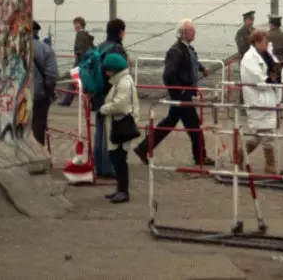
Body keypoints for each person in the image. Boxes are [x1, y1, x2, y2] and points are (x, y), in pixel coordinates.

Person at [134, 19, 215, 166]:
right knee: (194, 126)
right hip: (182, 95)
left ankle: (143, 148)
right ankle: (200, 156)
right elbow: (168, 75)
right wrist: (180, 90)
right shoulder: (175, 50)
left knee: (170, 123)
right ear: (183, 33)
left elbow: (192, 62)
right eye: (192, 30)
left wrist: (202, 68)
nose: (194, 32)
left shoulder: (187, 48)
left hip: (185, 94)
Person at [236, 30, 283, 174]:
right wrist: (272, 78)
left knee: (260, 133)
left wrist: (274, 78)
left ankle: (240, 154)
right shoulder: (249, 58)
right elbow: (258, 79)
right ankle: (270, 166)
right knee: (266, 132)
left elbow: (278, 71)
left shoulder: (269, 55)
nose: (267, 44)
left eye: (267, 41)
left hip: (271, 97)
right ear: (256, 42)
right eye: (264, 41)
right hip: (258, 99)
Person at [98, 53, 139, 204]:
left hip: (121, 125)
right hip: (119, 124)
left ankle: (123, 191)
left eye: (108, 70)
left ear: (114, 70)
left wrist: (103, 109)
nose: (106, 73)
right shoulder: (121, 81)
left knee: (119, 158)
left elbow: (119, 105)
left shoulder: (123, 83)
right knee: (117, 157)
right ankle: (120, 189)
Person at [91, 19, 128, 178]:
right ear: (120, 31)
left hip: (97, 93)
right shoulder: (117, 48)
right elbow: (120, 73)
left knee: (99, 131)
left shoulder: (101, 46)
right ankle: (108, 168)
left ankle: (99, 165)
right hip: (110, 94)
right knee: (110, 132)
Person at [58, 17, 95, 106]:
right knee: (79, 80)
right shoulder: (86, 35)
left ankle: (67, 100)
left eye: (76, 24)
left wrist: (78, 56)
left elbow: (79, 48)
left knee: (74, 79)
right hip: (86, 60)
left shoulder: (80, 34)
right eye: (74, 24)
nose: (75, 26)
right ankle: (69, 100)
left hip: (80, 61)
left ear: (80, 24)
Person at [32, 21, 58, 146]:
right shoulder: (46, 49)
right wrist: (49, 90)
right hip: (39, 95)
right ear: (36, 32)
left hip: (15, 97)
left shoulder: (10, 47)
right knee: (38, 127)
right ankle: (37, 152)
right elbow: (51, 76)